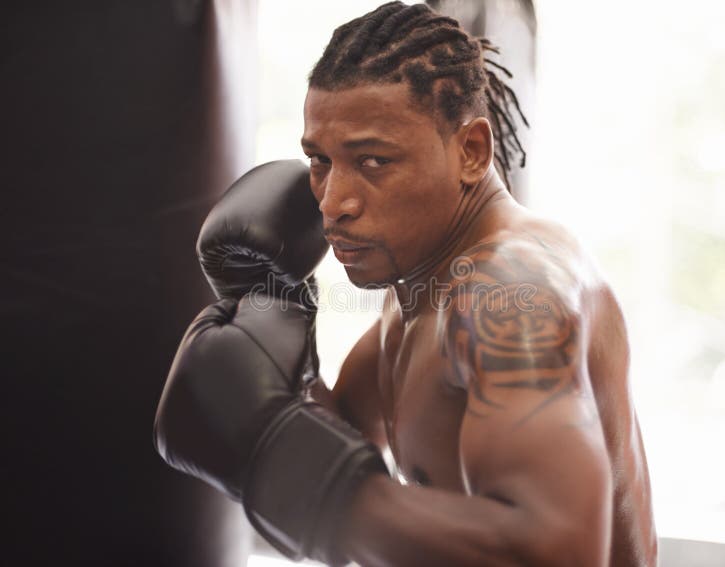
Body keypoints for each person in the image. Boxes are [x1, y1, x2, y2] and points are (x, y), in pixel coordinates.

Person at [154, 2, 657, 566]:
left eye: (372, 161)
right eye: (319, 160)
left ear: (471, 151)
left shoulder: (512, 294)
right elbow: (342, 452)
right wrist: (266, 318)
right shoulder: (417, 284)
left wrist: (287, 467)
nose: (332, 204)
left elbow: (560, 552)